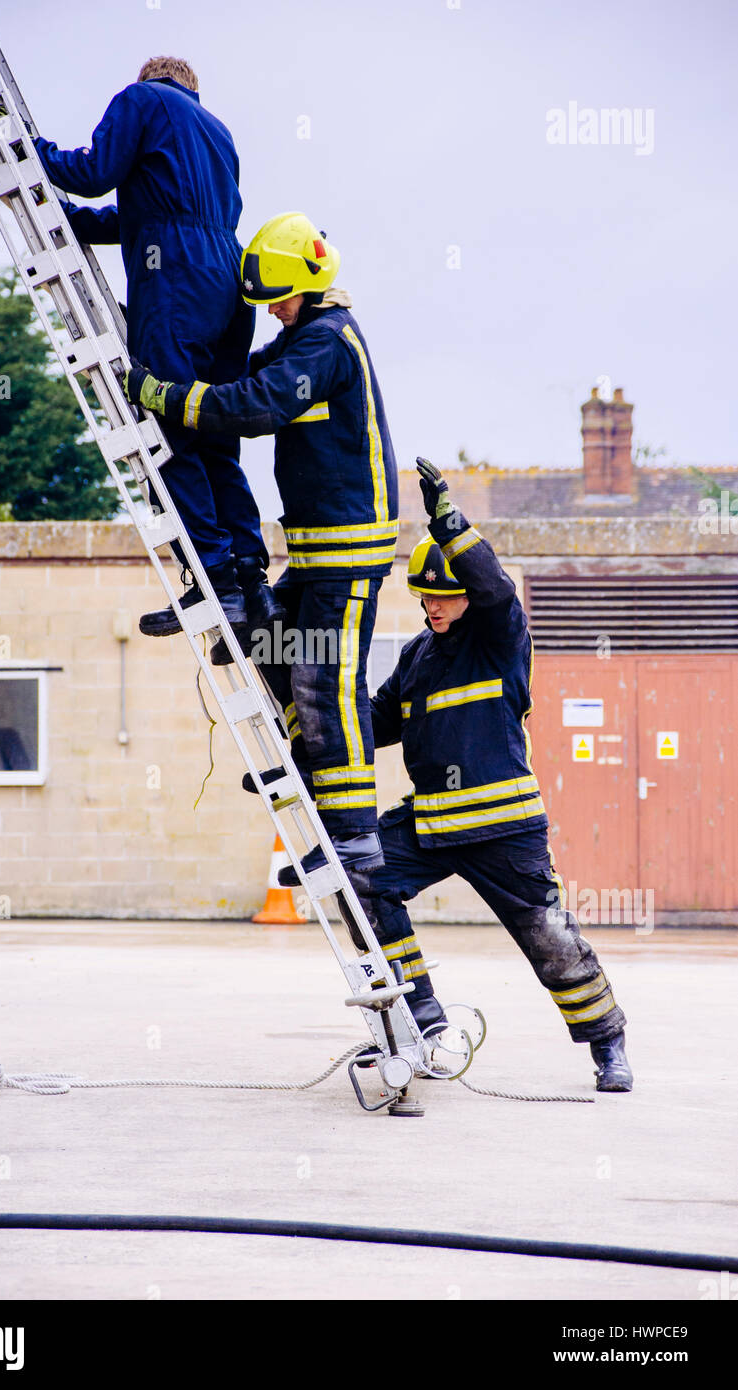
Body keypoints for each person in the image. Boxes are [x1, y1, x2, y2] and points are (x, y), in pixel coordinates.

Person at [123, 212, 399, 880]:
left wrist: (163, 392)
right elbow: (244, 377)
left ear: (310, 283)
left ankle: (355, 842)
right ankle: (313, 767)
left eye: (279, 297)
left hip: (346, 552)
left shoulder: (327, 342)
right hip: (315, 551)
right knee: (277, 652)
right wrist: (182, 356)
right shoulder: (304, 334)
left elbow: (254, 404)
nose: (273, 310)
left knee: (329, 685)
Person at [360, 457, 633, 1091]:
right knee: (363, 882)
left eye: (445, 594)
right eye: (425, 595)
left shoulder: (501, 635)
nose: (433, 605)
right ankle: (423, 1022)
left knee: (550, 939)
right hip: (432, 824)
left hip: (504, 830)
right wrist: (309, 739)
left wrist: (449, 521)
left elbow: (494, 586)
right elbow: (375, 722)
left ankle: (607, 1043)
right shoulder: (417, 657)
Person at [33, 56, 278, 637]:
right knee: (216, 440)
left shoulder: (140, 100)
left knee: (169, 431)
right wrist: (74, 223)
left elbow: (94, 171)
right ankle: (252, 584)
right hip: (228, 286)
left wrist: (31, 155)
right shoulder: (218, 132)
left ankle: (215, 580)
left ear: (151, 80)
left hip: (175, 285)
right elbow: (149, 214)